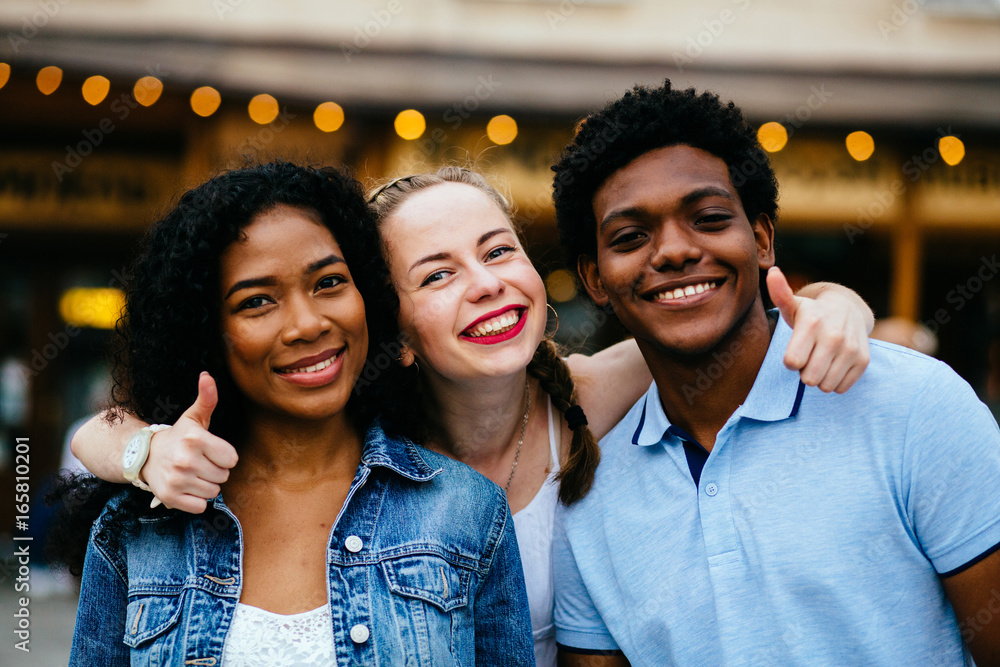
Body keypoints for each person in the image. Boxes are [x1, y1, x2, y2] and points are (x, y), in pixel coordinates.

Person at [71, 166, 874, 667]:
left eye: (498, 251)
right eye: (438, 274)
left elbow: (746, 330)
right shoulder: (375, 450)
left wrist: (839, 305)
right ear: (397, 328)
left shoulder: (588, 394)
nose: (486, 284)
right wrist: (142, 450)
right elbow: (97, 434)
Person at [550, 80, 1000, 666]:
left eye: (708, 218)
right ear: (594, 279)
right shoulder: (588, 499)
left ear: (761, 240)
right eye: (631, 237)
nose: (674, 251)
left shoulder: (914, 406)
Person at [50, 162, 534, 666]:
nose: (306, 324)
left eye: (328, 282)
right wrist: (142, 450)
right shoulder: (136, 527)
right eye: (257, 301)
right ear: (205, 332)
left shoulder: (467, 510)